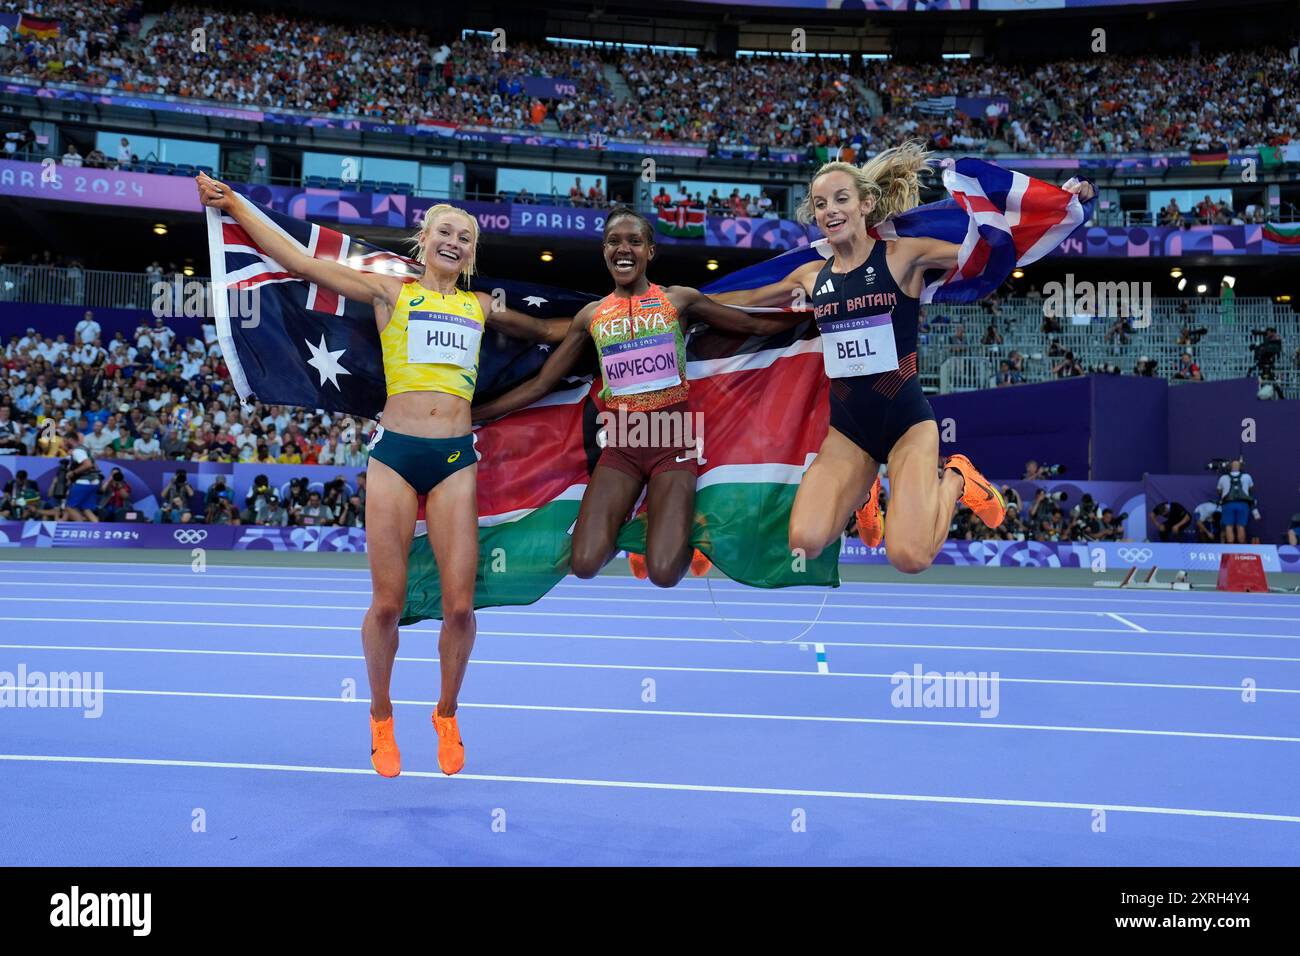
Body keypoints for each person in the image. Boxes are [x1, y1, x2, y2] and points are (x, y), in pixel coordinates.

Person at [197, 171, 568, 778]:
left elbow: (558, 331)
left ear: (474, 253)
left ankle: (446, 713)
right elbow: (297, 258)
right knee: (387, 605)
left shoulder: (480, 307)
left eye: (466, 237)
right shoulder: (391, 293)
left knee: (460, 609)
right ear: (424, 241)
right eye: (445, 231)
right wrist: (236, 202)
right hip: (395, 454)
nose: (455, 241)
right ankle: (380, 715)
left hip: (454, 460)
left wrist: (625, 321)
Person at [711, 143, 1094, 573]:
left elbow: (987, 249)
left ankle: (956, 479)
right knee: (804, 542)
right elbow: (741, 301)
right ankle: (865, 488)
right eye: (820, 204)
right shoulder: (809, 275)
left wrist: (1059, 203)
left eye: (841, 199)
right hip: (849, 432)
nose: (830, 210)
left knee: (909, 557)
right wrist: (678, 302)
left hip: (906, 424)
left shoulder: (903, 256)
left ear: (866, 204)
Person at [473, 207, 801, 588]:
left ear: (650, 251)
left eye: (634, 241)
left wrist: (814, 314)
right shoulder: (592, 316)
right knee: (584, 563)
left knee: (664, 574)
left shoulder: (679, 301)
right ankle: (644, 520)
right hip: (623, 445)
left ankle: (677, 528)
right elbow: (541, 353)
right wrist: (487, 317)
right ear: (604, 251)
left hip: (673, 441)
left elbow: (752, 321)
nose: (623, 249)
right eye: (614, 241)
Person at [1216, 459, 1255, 544]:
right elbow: (1251, 488)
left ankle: (1230, 547)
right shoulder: (1247, 476)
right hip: (1243, 504)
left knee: (1228, 526)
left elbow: (1219, 491)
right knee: (1241, 526)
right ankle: (1241, 548)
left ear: (1230, 467)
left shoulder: (1223, 477)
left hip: (1228, 504)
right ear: (1240, 467)